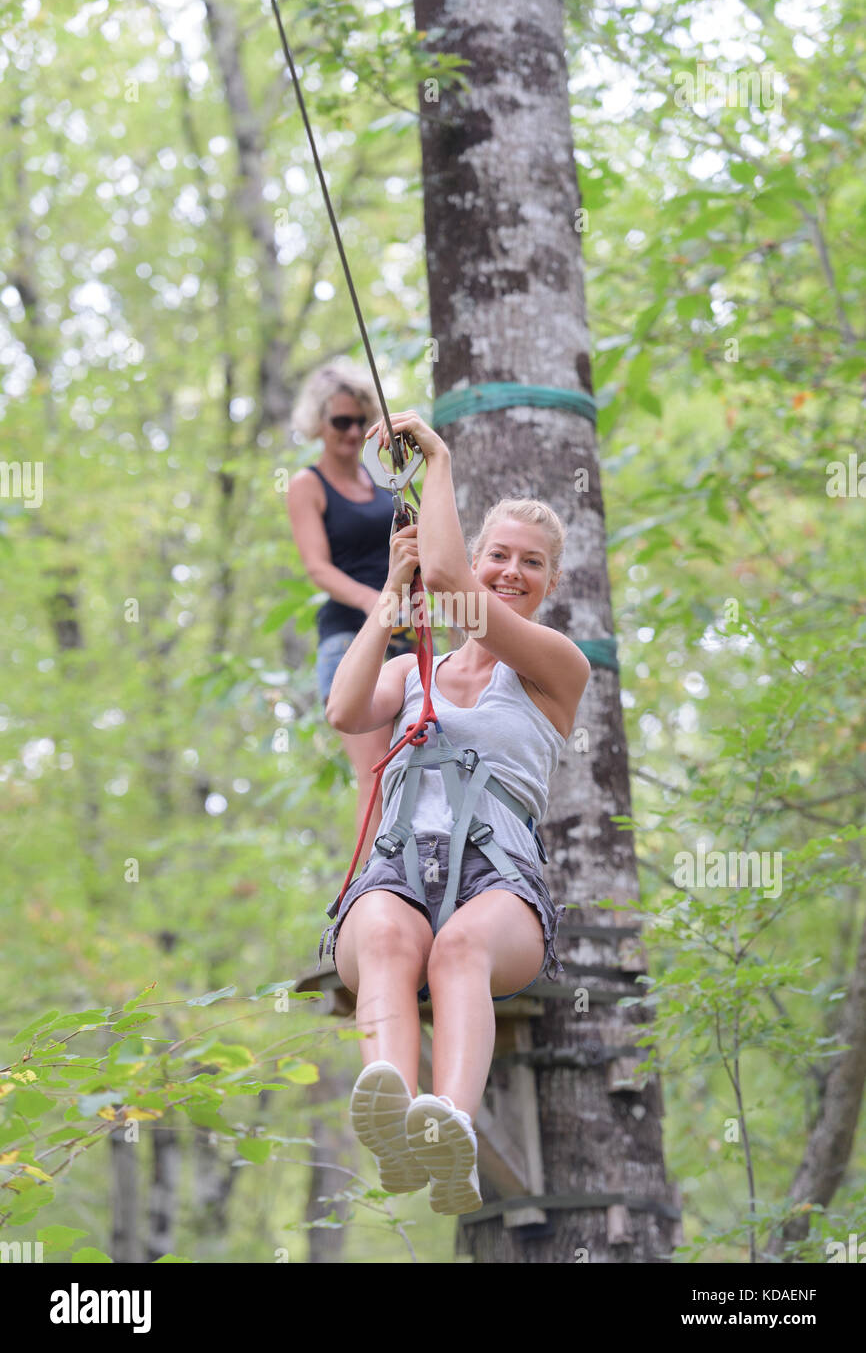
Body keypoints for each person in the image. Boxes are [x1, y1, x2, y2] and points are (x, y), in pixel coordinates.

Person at [320, 410, 592, 1215]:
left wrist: (435, 457)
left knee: (462, 945)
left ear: (550, 583)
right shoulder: (412, 672)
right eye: (498, 556)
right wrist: (388, 600)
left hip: (496, 876)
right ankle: (396, 1120)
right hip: (400, 863)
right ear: (479, 556)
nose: (513, 571)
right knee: (382, 935)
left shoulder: (555, 670)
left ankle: (452, 1133)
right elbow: (342, 711)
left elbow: (452, 588)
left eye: (532, 564)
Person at [286, 361, 417, 863]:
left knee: (412, 770)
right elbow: (317, 568)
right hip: (349, 637)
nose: (351, 432)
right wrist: (375, 601)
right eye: (340, 421)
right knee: (376, 774)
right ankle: (368, 896)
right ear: (319, 424)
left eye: (361, 422)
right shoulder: (308, 484)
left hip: (405, 637)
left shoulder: (380, 478)